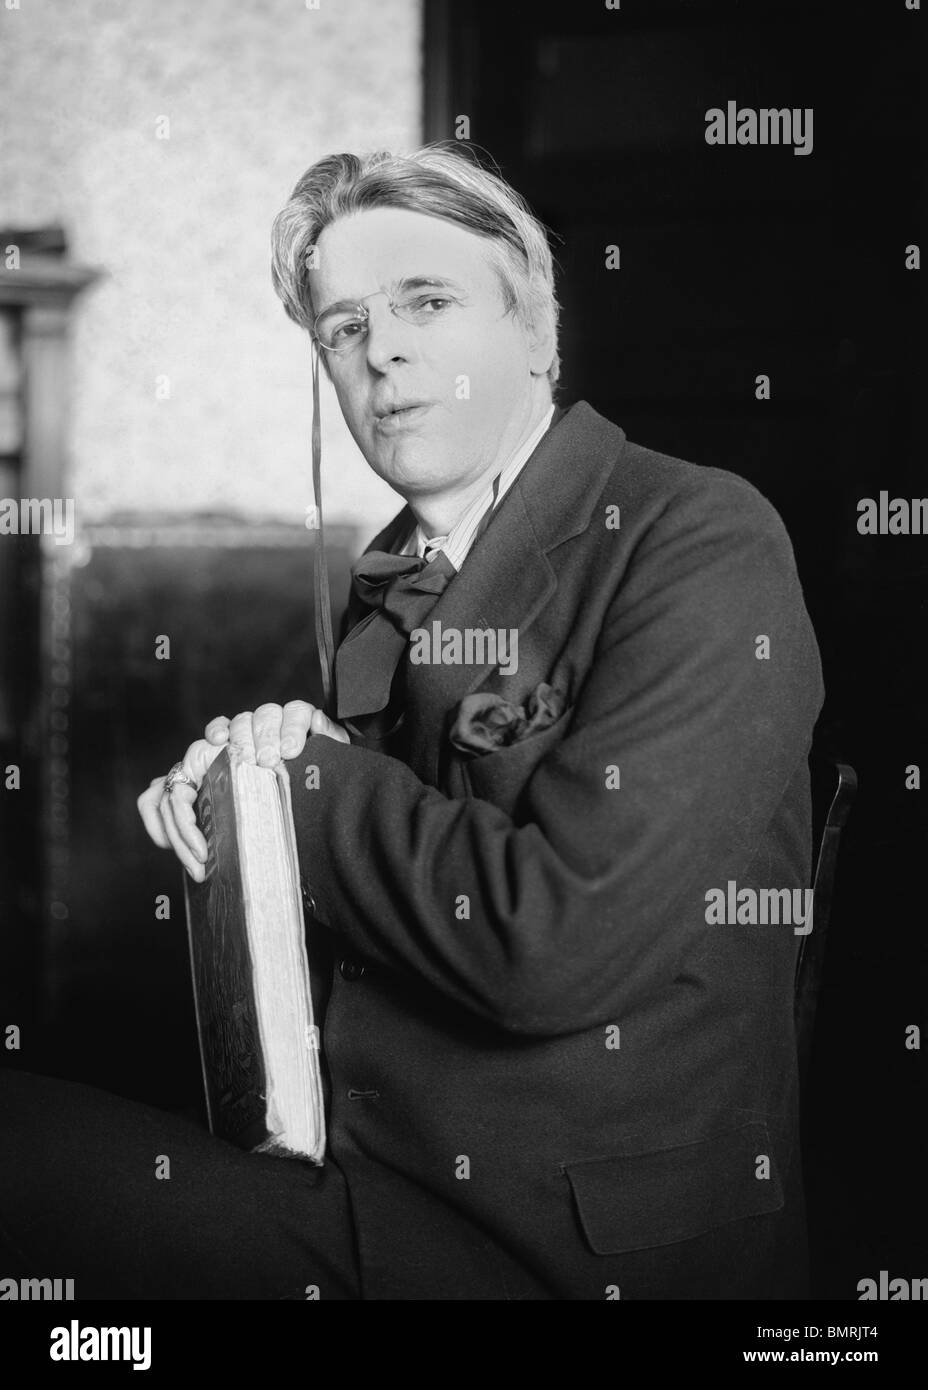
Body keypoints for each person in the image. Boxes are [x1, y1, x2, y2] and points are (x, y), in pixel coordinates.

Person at [4, 145, 824, 1300]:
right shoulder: (390, 582)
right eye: (343, 329)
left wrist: (304, 792)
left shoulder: (695, 536)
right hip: (365, 1171)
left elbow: (554, 945)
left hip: (563, 1243)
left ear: (533, 331)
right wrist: (239, 813)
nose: (381, 349)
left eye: (425, 302)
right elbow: (391, 881)